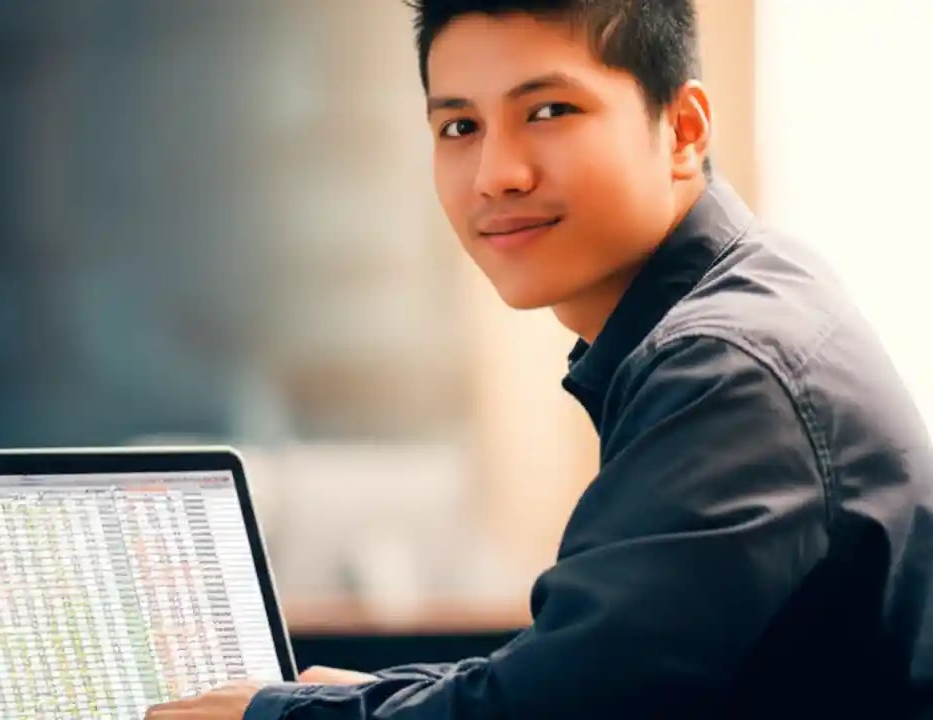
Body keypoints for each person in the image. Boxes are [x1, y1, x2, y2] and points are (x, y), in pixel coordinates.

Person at [146, 0, 933, 717]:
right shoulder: (743, 299)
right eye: (460, 127)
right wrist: (372, 698)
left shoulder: (727, 368)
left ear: (685, 129)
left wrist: (276, 717)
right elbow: (595, 663)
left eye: (549, 111)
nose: (496, 175)